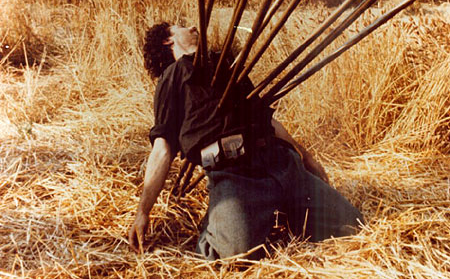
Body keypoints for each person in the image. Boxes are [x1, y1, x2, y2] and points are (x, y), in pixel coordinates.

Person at [128, 22, 364, 259]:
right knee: (231, 255)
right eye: (180, 26)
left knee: (352, 225)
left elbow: (267, 121)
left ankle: (281, 212)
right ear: (167, 40)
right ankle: (221, 220)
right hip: (237, 175)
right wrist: (143, 212)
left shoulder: (225, 65)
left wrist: (306, 157)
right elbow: (162, 149)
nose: (192, 26)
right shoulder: (173, 76)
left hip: (281, 163)